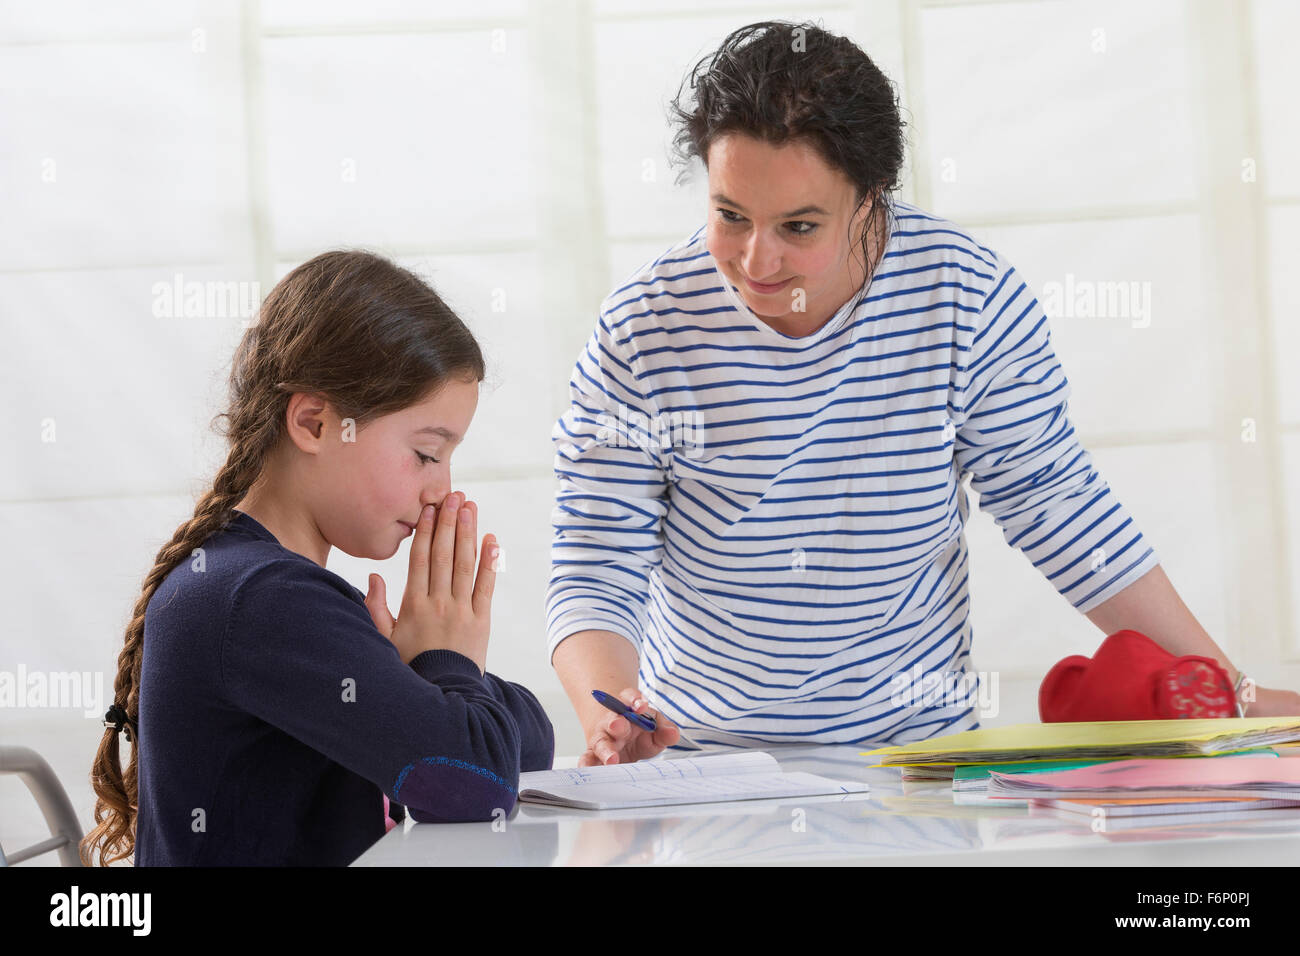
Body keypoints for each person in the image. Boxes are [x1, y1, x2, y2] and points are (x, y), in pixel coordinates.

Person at [547, 20, 1300, 767]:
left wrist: (1234, 696)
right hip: (702, 764)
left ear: (870, 198)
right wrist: (614, 715)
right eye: (730, 216)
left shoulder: (965, 296)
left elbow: (1058, 505)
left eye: (799, 225)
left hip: (920, 765)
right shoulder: (644, 332)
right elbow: (593, 562)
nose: (756, 260)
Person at [82, 250, 554, 866]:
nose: (441, 488)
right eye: (426, 452)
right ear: (314, 423)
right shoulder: (264, 599)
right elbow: (480, 784)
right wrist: (448, 660)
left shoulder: (261, 588)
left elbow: (533, 740)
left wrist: (428, 672)